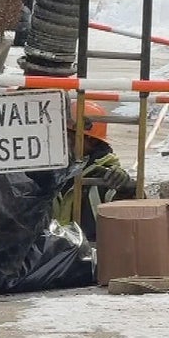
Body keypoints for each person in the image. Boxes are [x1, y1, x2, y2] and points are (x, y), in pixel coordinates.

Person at [52, 101, 135, 240]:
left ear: (92, 141)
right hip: (49, 256)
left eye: (70, 135)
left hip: (94, 257)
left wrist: (128, 190)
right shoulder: (50, 172)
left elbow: (136, 220)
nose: (62, 141)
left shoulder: (106, 177)